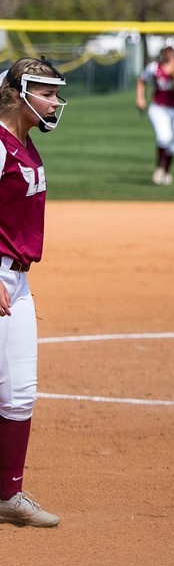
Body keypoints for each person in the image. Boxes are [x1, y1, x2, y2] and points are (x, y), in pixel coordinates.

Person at [0, 57, 68, 528]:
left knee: (20, 393)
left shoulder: (23, 145)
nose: (55, 101)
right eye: (46, 92)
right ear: (18, 94)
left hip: (18, 280)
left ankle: (8, 495)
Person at [135, 36, 174, 186]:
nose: (168, 53)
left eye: (171, 50)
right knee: (164, 137)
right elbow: (141, 80)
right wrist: (140, 98)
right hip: (158, 108)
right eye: (166, 50)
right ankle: (159, 168)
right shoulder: (154, 67)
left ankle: (166, 171)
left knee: (173, 145)